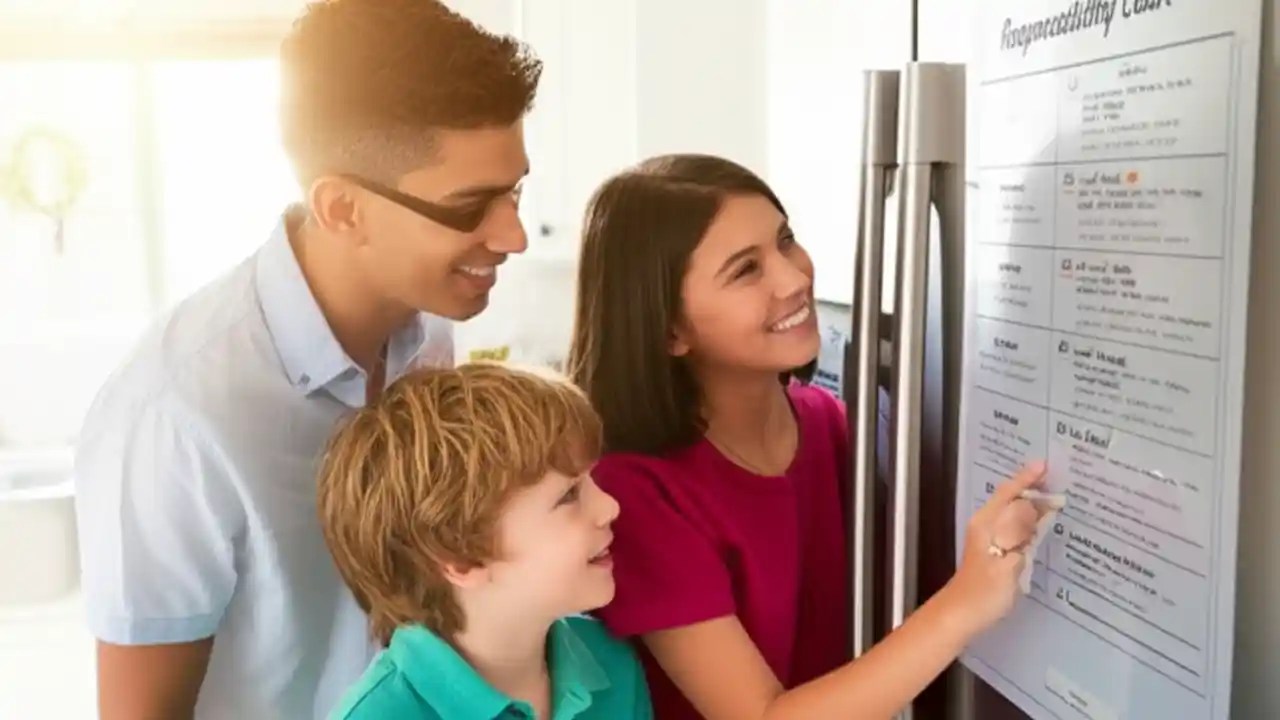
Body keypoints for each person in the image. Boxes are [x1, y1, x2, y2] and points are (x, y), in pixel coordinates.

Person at [72, 2, 542, 717]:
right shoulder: (176, 418)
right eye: (470, 205)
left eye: (514, 192)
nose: (513, 236)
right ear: (343, 209)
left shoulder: (430, 337)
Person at [566, 153, 1047, 720]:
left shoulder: (828, 422)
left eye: (785, 240)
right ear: (670, 328)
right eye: (746, 270)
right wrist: (968, 601)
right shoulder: (633, 493)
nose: (795, 278)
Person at [316, 363, 653, 719]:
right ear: (463, 561)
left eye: (591, 481)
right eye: (569, 495)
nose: (610, 506)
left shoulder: (611, 663)